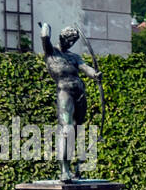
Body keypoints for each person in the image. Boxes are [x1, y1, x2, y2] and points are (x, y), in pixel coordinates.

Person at [38, 21, 100, 180]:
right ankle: (64, 169)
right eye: (69, 40)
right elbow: (44, 37)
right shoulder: (51, 52)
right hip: (64, 91)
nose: (70, 43)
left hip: (79, 91)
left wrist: (94, 74)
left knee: (77, 130)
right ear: (62, 37)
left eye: (73, 41)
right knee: (67, 129)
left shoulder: (74, 57)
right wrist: (46, 26)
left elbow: (85, 67)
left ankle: (76, 167)